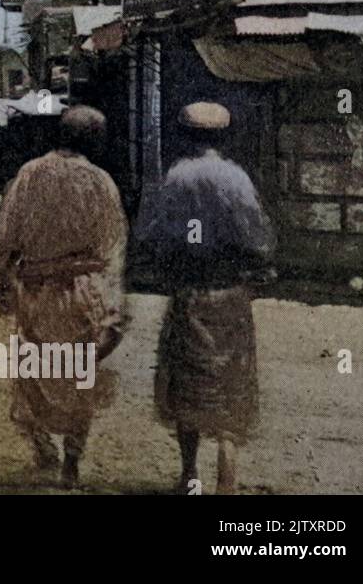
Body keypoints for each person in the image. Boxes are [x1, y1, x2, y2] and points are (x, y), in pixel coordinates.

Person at [134, 101, 273, 495]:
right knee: (232, 382)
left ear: (184, 135)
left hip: (189, 293)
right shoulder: (237, 179)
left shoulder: (174, 178)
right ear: (224, 137)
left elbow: (149, 235)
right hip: (230, 294)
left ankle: (190, 475)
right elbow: (258, 239)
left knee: (187, 382)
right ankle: (227, 477)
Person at [0, 106, 126, 487]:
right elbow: (112, 249)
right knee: (79, 373)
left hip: (35, 291)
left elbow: (6, 233)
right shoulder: (101, 182)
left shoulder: (30, 174)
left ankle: (42, 445)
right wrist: (114, 309)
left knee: (34, 370)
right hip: (83, 292)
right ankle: (72, 460)